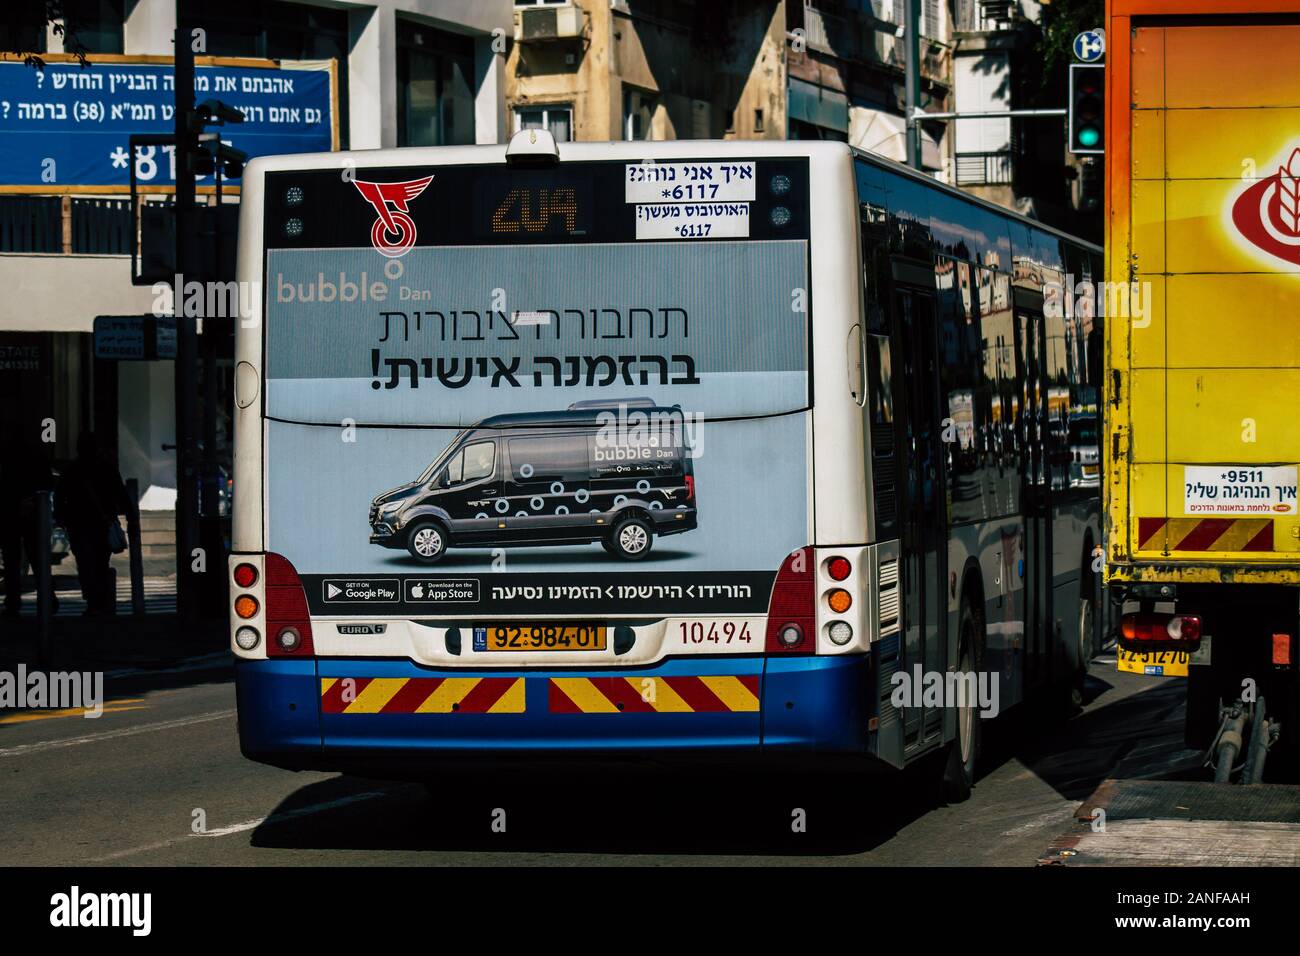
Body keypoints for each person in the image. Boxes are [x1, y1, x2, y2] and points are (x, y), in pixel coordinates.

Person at [55, 431, 130, 616]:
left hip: (79, 523)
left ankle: (93, 600)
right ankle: (100, 599)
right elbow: (120, 493)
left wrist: (61, 518)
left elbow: (60, 497)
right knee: (100, 562)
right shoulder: (105, 468)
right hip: (100, 523)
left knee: (85, 563)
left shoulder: (72, 470)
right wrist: (130, 515)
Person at [1, 434, 55, 619]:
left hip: (11, 513)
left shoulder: (6, 457)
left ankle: (14, 602)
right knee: (38, 560)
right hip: (32, 513)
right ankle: (46, 598)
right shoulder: (37, 456)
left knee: (12, 562)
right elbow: (48, 482)